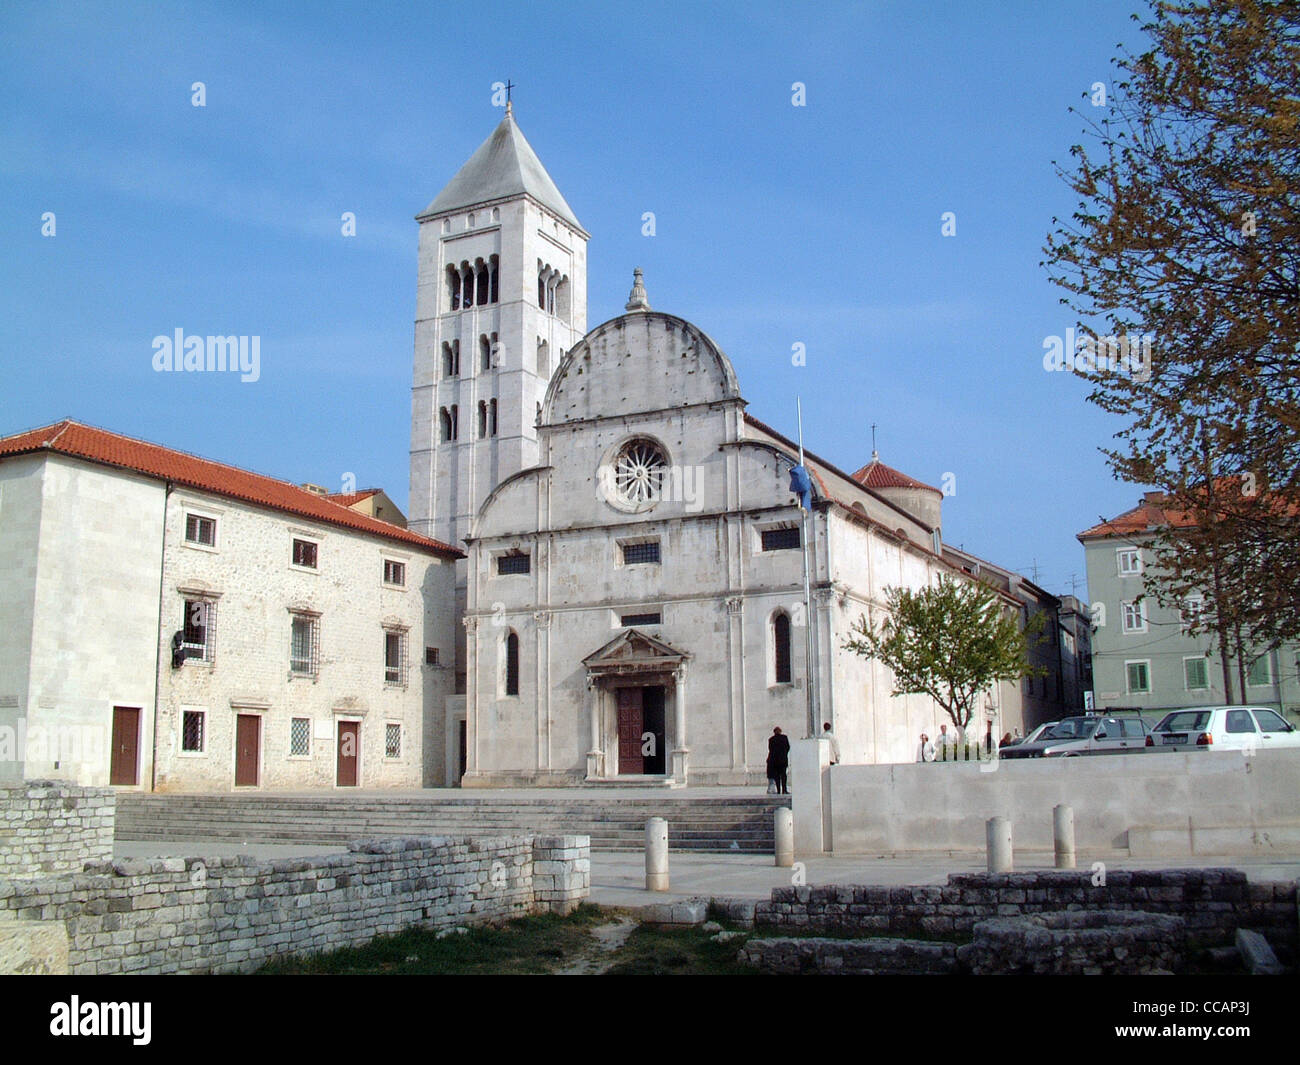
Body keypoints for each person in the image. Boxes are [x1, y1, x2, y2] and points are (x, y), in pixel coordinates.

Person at [768, 726, 791, 794]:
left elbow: (770, 749)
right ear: (780, 731)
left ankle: (778, 790)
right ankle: (784, 789)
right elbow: (788, 747)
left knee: (777, 776)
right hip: (783, 760)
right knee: (784, 775)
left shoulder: (771, 739)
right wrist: (784, 754)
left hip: (775, 761)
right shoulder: (784, 738)